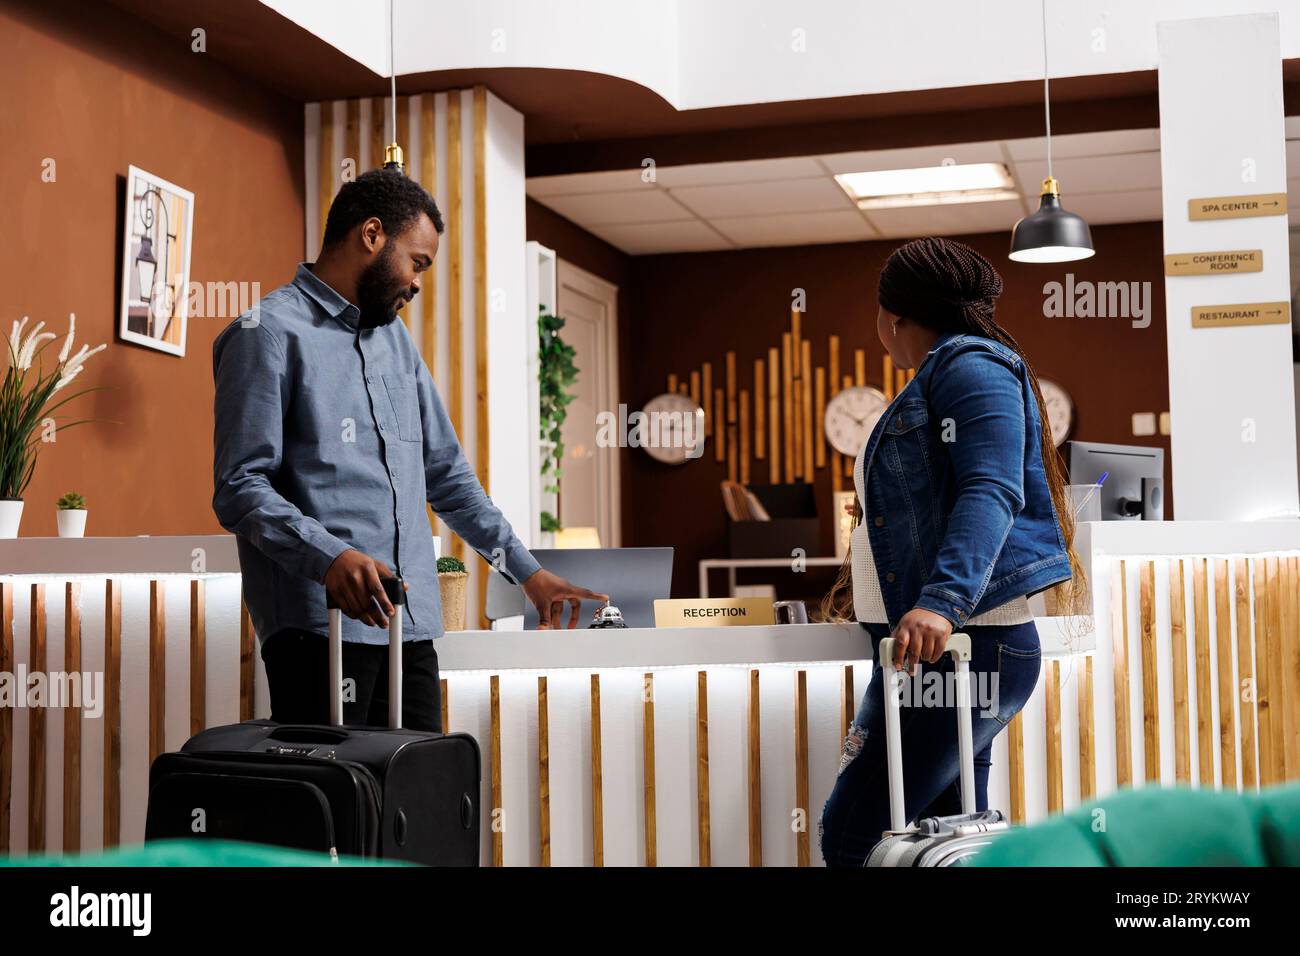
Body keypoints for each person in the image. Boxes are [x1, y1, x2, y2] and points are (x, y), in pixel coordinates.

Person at [213, 169, 604, 732]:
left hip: (410, 628)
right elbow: (240, 487)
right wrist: (330, 558)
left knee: (416, 805)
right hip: (320, 630)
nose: (418, 283)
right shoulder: (266, 333)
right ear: (371, 234)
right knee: (340, 811)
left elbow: (446, 476)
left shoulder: (394, 340)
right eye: (416, 262)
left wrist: (528, 574)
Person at [818, 237, 1083, 866]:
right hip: (938, 650)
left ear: (894, 316)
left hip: (965, 643)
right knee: (947, 840)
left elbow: (992, 488)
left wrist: (941, 600)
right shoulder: (951, 370)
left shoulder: (970, 366)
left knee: (856, 833)